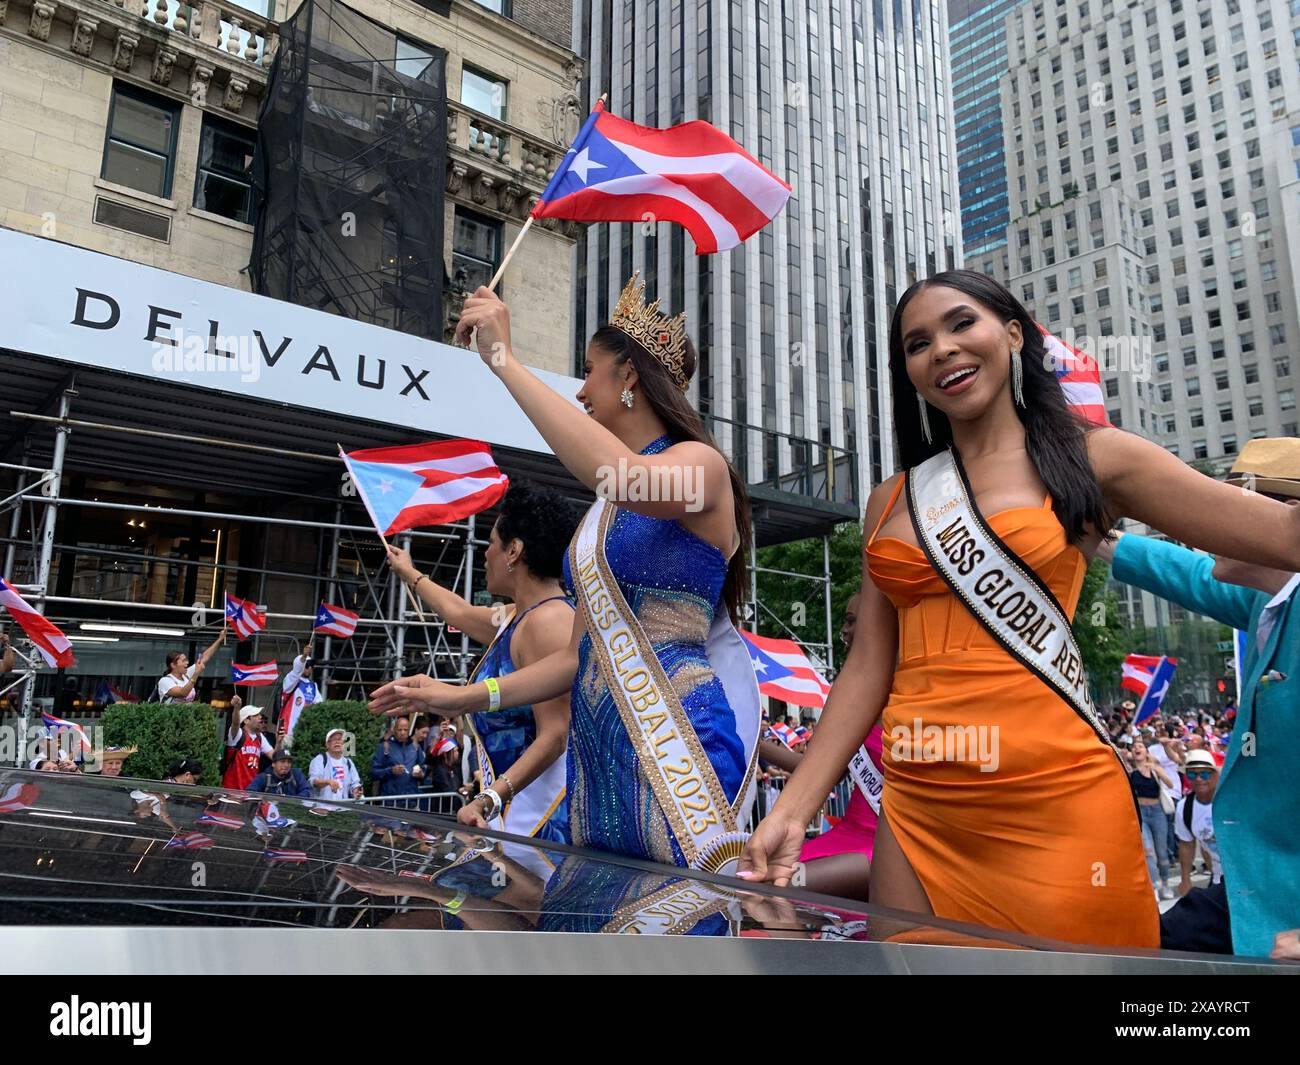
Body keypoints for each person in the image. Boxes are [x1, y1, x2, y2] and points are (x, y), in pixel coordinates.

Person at [738, 269, 1300, 949]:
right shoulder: (892, 498)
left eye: (960, 323)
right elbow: (866, 667)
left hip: (1055, 797)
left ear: (1012, 334)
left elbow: (1284, 538)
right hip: (917, 806)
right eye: (917, 343)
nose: (942, 348)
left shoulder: (1096, 459)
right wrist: (793, 811)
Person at [370, 273, 762, 874]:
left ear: (628, 376)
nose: (580, 390)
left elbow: (626, 478)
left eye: (588, 370)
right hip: (599, 752)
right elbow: (578, 657)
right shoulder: (602, 514)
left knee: (679, 915)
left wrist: (505, 362)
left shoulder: (700, 469)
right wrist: (461, 696)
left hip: (677, 745)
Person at [1099, 439, 1300, 955]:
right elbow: (1184, 572)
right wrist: (1092, 532)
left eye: (1226, 503)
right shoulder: (1267, 602)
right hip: (1254, 894)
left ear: (1287, 516)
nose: (1202, 523)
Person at [386, 479, 578, 841]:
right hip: (521, 818)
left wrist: (488, 798)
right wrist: (408, 572)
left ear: (514, 551)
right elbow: (457, 611)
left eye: (491, 543)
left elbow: (556, 735)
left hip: (548, 826)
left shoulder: (549, 621)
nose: (486, 554)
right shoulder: (518, 616)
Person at [789, 591, 881, 901]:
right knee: (752, 877)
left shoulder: (916, 692)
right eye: (845, 621)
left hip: (889, 849)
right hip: (846, 837)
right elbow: (822, 771)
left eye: (853, 621)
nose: (844, 630)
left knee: (782, 885)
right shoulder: (851, 698)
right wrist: (755, 746)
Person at [1125, 740, 1178, 901]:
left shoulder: (1155, 769)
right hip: (1141, 813)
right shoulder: (1131, 772)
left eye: (1140, 746)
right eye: (1134, 747)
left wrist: (1157, 770)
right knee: (1148, 852)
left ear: (1147, 752)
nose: (1136, 748)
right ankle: (1154, 886)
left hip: (1157, 812)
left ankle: (1165, 883)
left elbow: (1170, 784)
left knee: (1162, 852)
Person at [157, 624, 227, 703]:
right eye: (183, 661)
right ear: (173, 665)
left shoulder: (186, 675)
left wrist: (220, 639)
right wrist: (196, 674)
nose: (187, 662)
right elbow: (182, 693)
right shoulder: (165, 681)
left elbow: (204, 657)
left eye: (186, 660)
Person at [371, 716, 426, 806]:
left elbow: (424, 770)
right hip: (389, 802)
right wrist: (391, 771)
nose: (402, 733)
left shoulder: (415, 747)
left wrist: (420, 774)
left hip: (410, 801)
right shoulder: (385, 746)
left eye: (405, 730)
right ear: (394, 730)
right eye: (399, 730)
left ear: (409, 731)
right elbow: (374, 772)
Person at [279, 642, 324, 745]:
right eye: (307, 665)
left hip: (305, 734)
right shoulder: (291, 681)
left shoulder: (314, 686)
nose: (310, 668)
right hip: (288, 732)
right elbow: (296, 670)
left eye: (312, 666)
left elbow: (320, 706)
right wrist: (304, 656)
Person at [222, 704, 274, 791]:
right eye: (256, 715)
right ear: (246, 720)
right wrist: (236, 707)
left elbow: (275, 757)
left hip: (251, 791)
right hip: (232, 792)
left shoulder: (260, 737)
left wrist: (279, 741)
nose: (260, 717)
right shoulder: (238, 734)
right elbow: (235, 723)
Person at [308, 729, 364, 801]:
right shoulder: (319, 760)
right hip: (323, 806)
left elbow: (355, 783)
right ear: (327, 744)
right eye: (334, 739)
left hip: (343, 806)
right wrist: (328, 782)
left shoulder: (348, 762)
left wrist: (356, 791)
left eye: (340, 739)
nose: (337, 742)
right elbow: (313, 782)